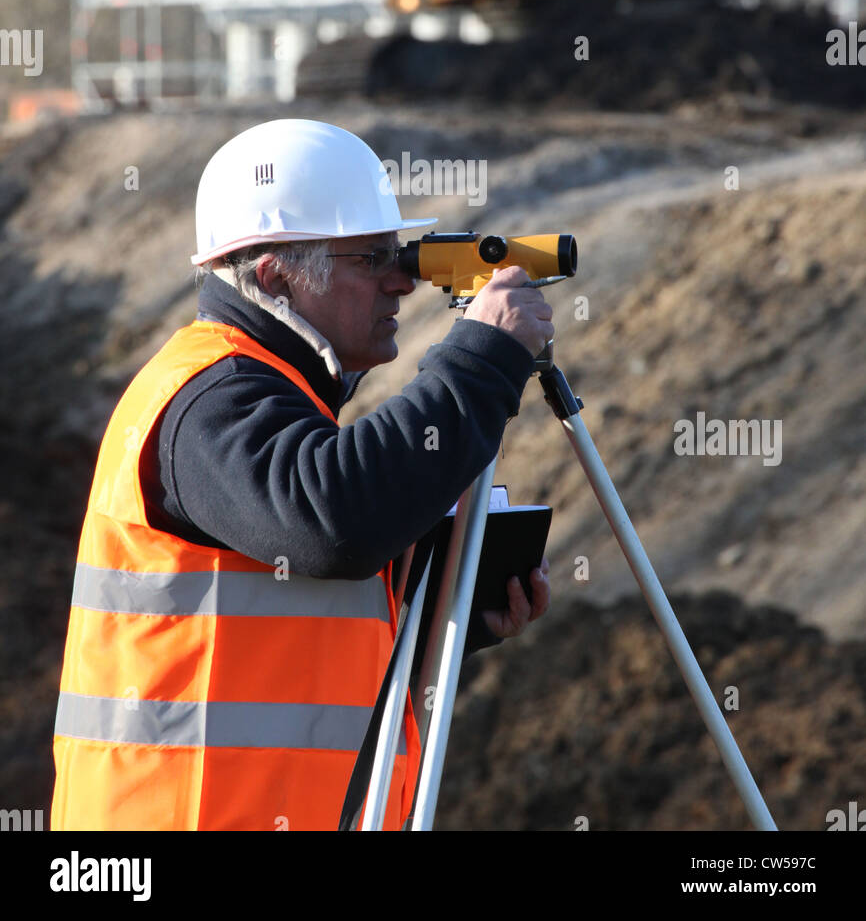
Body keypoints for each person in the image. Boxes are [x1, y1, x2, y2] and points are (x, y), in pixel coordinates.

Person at [51, 118, 553, 831]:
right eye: (371, 259)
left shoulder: (281, 398)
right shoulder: (208, 397)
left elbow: (294, 618)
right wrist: (481, 363)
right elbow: (332, 522)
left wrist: (444, 616)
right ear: (274, 277)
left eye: (398, 256)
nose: (401, 282)